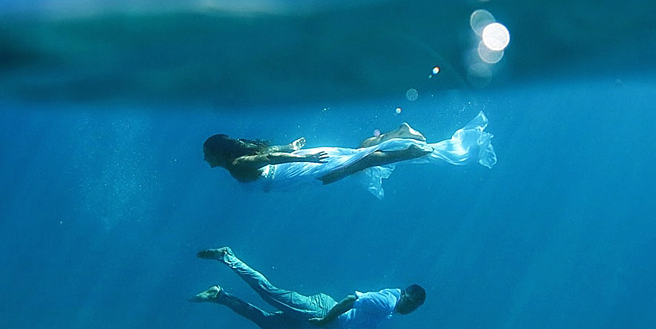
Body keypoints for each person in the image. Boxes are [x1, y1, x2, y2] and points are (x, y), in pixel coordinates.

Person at [202, 112, 496, 198]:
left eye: (207, 155)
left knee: (360, 162)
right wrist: (292, 148)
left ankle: (409, 151)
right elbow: (271, 153)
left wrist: (303, 159)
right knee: (357, 155)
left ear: (219, 153)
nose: (206, 160)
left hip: (303, 170)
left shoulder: (236, 165)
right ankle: (397, 133)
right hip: (300, 165)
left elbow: (268, 160)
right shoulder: (244, 154)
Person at [190, 247, 425, 329]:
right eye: (411, 303)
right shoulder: (387, 302)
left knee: (266, 322)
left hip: (327, 321)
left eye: (414, 308)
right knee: (269, 292)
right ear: (406, 295)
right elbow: (350, 300)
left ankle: (219, 295)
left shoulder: (391, 307)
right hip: (324, 314)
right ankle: (227, 257)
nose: (411, 309)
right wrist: (324, 320)